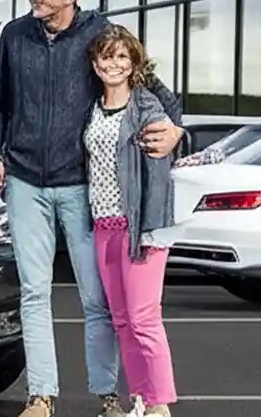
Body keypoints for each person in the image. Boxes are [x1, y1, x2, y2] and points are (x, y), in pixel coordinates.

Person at [0, 0, 183, 417]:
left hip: (80, 187)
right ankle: (41, 395)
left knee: (98, 299)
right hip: (25, 181)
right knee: (34, 292)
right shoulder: (14, 35)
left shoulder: (99, 35)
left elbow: (160, 92)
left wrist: (175, 131)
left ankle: (107, 395)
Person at [84, 24, 180, 416]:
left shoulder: (145, 108)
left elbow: (159, 170)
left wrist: (152, 231)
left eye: (122, 56)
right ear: (95, 62)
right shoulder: (92, 107)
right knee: (122, 320)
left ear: (134, 64)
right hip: (103, 226)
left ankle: (159, 406)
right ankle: (139, 399)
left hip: (139, 228)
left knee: (144, 319)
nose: (114, 64)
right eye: (107, 56)